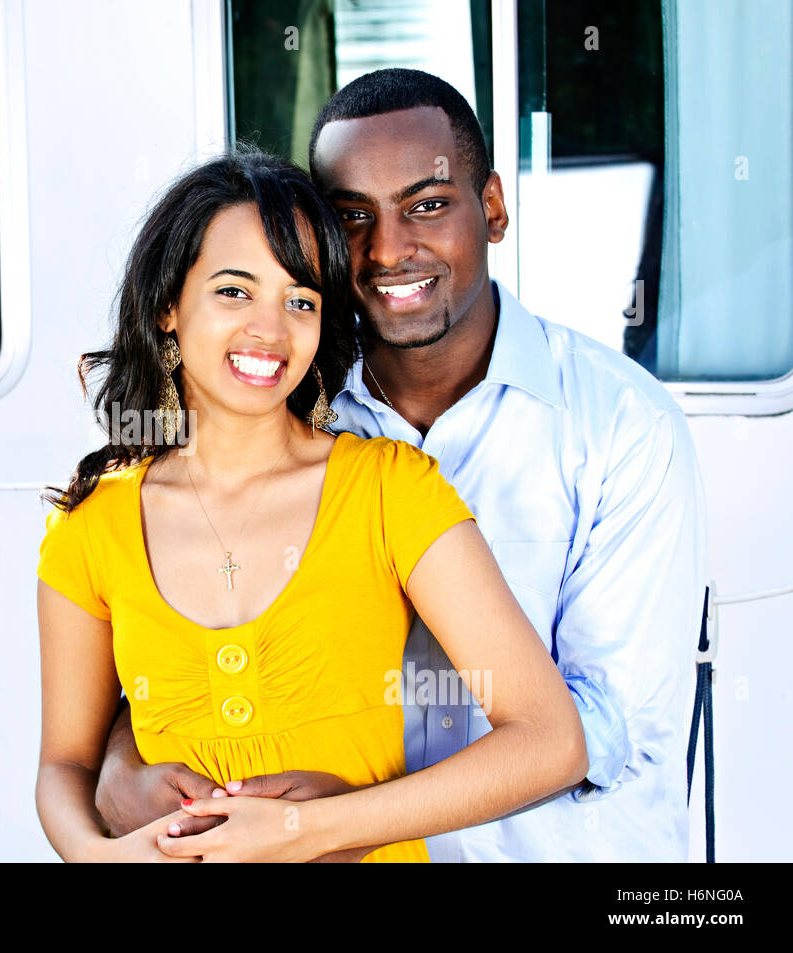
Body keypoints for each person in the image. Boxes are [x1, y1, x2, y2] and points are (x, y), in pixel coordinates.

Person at [98, 70, 707, 863]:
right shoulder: (287, 414)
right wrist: (120, 760)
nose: (388, 249)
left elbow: (600, 730)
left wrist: (341, 815)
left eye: (427, 205)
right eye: (352, 216)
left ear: (491, 208)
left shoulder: (623, 425)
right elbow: (177, 644)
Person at [34, 149, 588, 862]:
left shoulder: (391, 489)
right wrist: (95, 852)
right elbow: (64, 765)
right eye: (234, 292)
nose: (270, 328)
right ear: (168, 306)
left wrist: (310, 828)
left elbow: (551, 740)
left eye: (300, 299)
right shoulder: (90, 525)